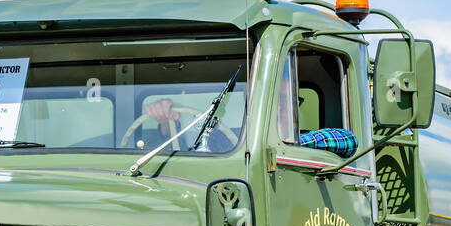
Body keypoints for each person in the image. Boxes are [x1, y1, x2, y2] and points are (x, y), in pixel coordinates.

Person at [143, 66, 358, 158]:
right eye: (276, 100)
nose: (283, 107)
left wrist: (292, 143)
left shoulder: (305, 138)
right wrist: (165, 124)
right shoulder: (233, 140)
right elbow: (193, 154)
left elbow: (349, 141)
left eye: (289, 100)